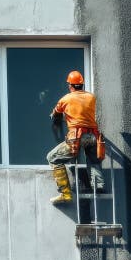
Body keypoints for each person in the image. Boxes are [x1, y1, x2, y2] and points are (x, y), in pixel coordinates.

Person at [47, 71, 105, 205]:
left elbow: (55, 114)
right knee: (93, 161)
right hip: (93, 136)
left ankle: (65, 193)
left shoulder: (65, 99)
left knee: (52, 157)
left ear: (70, 85)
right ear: (82, 84)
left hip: (77, 137)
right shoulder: (91, 97)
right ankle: (98, 186)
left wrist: (56, 117)